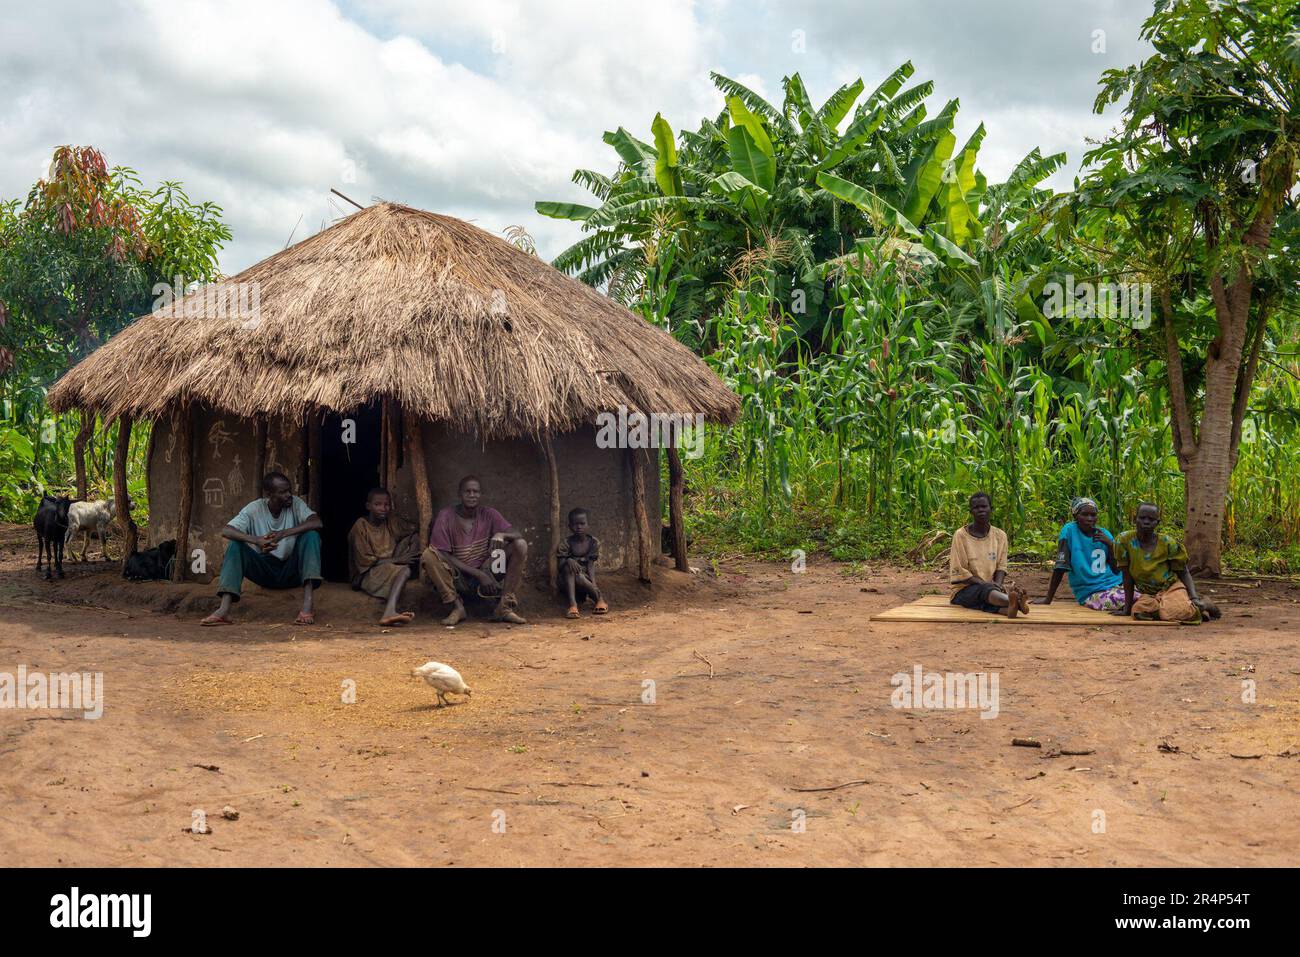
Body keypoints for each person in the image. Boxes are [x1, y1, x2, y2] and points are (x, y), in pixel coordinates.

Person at [201, 471, 323, 626]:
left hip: (292, 571)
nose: (288, 495)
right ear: (269, 494)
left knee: (311, 535)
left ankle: (307, 608)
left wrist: (283, 533)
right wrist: (257, 541)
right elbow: (227, 530)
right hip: (264, 571)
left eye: (289, 490)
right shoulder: (254, 509)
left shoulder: (296, 504)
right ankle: (224, 610)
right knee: (235, 545)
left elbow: (316, 522)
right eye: (282, 492)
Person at [421, 475, 528, 626]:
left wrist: (502, 534)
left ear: (481, 494)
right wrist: (479, 575)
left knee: (520, 544)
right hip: (458, 577)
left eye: (475, 492)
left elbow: (518, 534)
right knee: (429, 555)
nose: (472, 495)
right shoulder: (446, 516)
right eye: (467, 491)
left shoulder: (489, 514)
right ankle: (457, 607)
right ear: (459, 494)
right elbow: (443, 554)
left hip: (489, 572)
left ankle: (504, 607)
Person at [1111, 502, 1219, 622]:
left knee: (1174, 613)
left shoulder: (1168, 543)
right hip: (1148, 594)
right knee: (1138, 611)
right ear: (1135, 519)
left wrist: (1194, 596)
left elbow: (1183, 572)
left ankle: (1204, 604)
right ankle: (1182, 609)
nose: (1146, 522)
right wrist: (1127, 608)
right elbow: (1127, 577)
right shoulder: (1123, 541)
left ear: (1157, 522)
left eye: (1151, 519)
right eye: (1142, 518)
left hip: (1170, 587)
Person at [1035, 497, 1125, 610]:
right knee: (1127, 601)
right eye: (1084, 514)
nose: (1089, 519)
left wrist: (1111, 545)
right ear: (1075, 516)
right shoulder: (1069, 531)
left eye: (1093, 515)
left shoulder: (1104, 534)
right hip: (1091, 592)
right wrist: (1048, 599)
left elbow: (1116, 569)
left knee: (1141, 597)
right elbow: (1060, 567)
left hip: (1116, 584)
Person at [348, 487, 422, 626]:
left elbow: (415, 529)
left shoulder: (390, 521)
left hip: (390, 564)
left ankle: (404, 570)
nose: (383, 508)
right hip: (367, 573)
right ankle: (389, 612)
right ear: (368, 506)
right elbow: (365, 562)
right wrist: (399, 561)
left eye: (387, 505)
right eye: (378, 504)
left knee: (414, 538)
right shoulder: (360, 526)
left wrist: (409, 554)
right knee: (404, 571)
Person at [948, 491, 1028, 618]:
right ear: (971, 511)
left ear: (991, 509)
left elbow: (1001, 566)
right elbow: (960, 571)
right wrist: (988, 585)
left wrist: (998, 585)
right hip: (964, 590)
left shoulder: (1000, 536)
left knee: (986, 598)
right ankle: (1014, 601)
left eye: (984, 506)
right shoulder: (961, 535)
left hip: (991, 589)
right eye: (976, 507)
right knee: (985, 591)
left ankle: (1009, 609)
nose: (980, 510)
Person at [557, 507, 608, 619]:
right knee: (568, 567)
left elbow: (590, 565)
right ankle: (572, 605)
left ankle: (599, 599)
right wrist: (568, 560)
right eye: (575, 524)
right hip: (566, 580)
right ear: (569, 526)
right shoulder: (566, 543)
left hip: (584, 579)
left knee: (580, 577)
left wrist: (594, 584)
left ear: (588, 525)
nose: (579, 527)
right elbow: (560, 567)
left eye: (582, 523)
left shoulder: (593, 542)